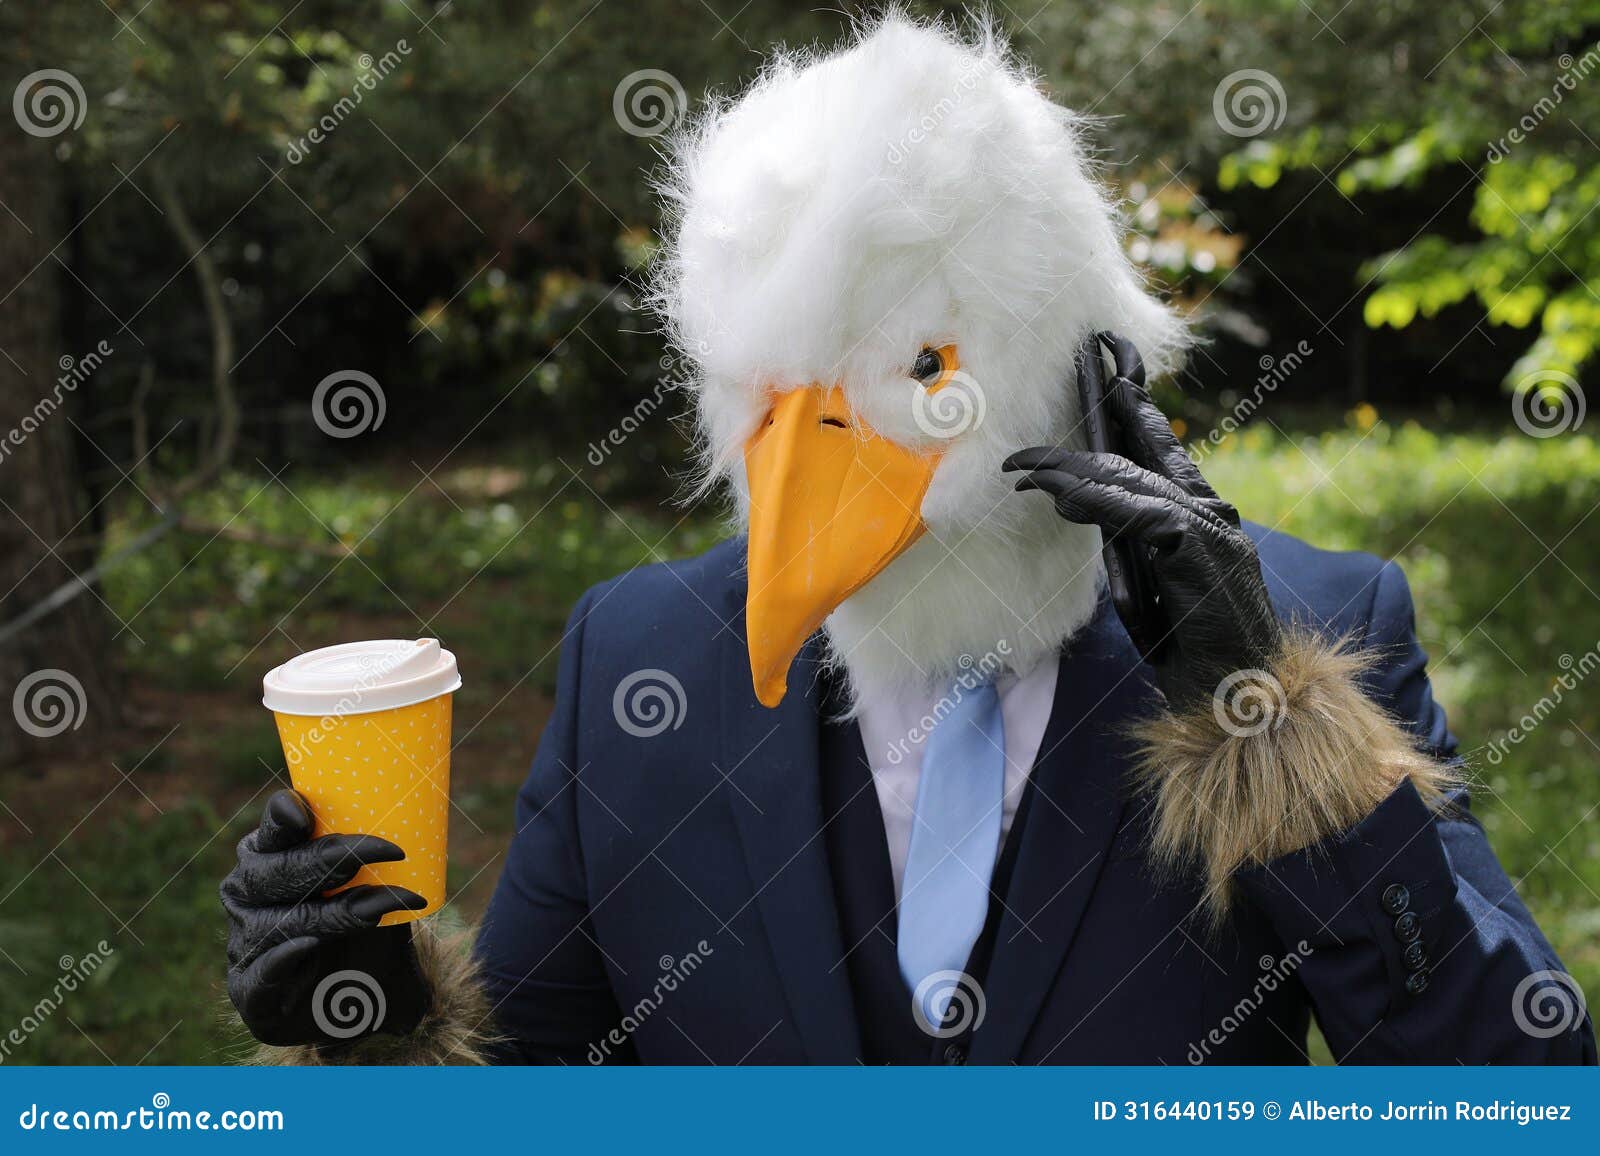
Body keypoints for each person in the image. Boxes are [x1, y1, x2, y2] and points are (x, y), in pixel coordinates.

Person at [221, 15, 1594, 1066]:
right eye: (772, 393)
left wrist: (1275, 735)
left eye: (917, 361)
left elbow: (1522, 1092)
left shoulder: (1310, 625)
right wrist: (373, 1015)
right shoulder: (638, 663)